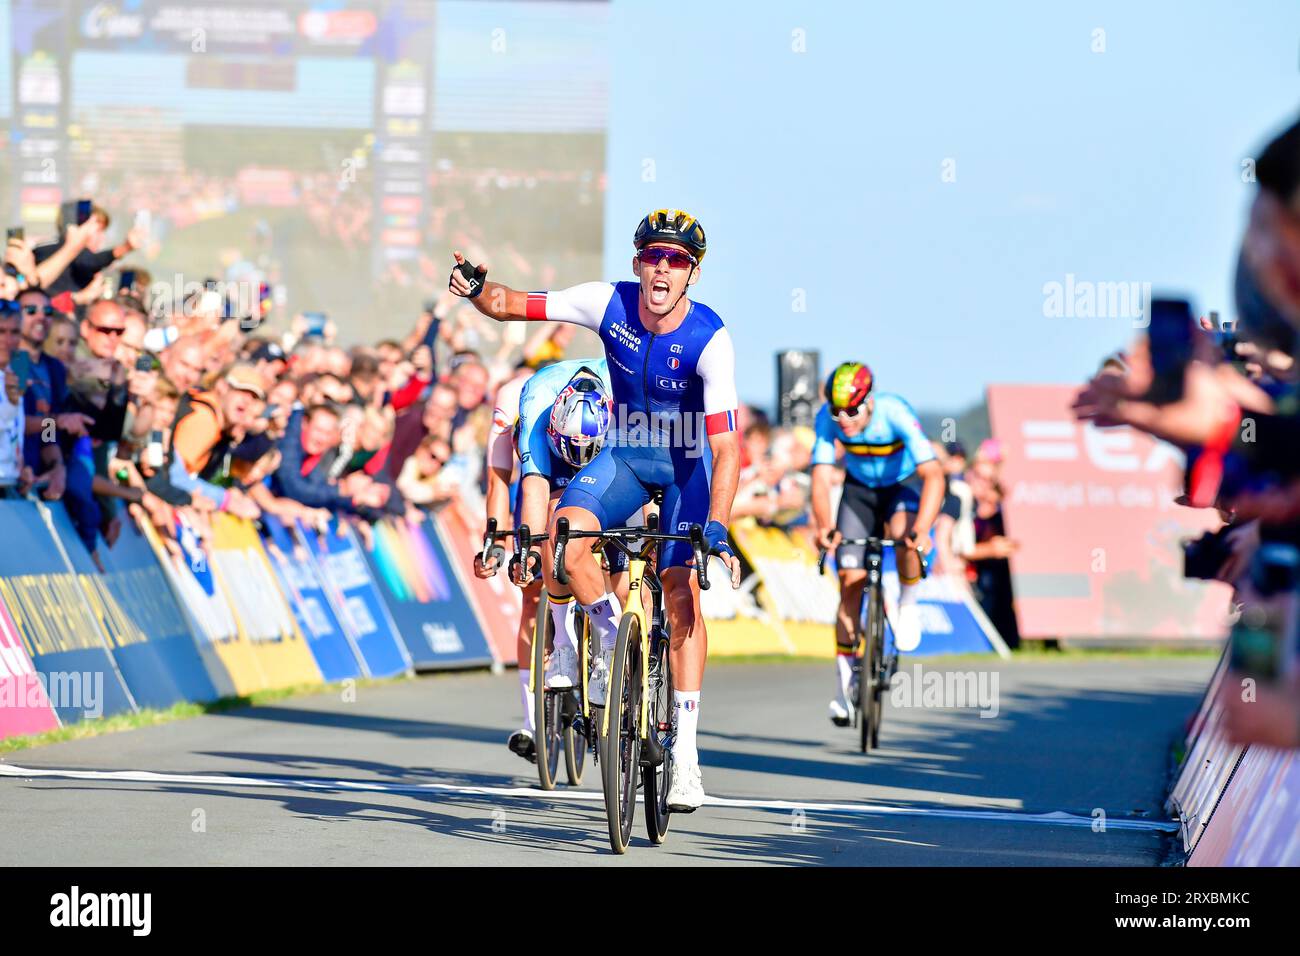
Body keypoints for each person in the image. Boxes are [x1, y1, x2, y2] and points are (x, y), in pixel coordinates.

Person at [449, 208, 742, 811]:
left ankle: (685, 756)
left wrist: (716, 523)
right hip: (626, 454)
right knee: (566, 538)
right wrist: (479, 291)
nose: (664, 268)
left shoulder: (711, 338)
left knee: (679, 583)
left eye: (678, 260)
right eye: (654, 256)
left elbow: (725, 445)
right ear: (638, 263)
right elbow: (513, 304)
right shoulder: (606, 301)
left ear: (693, 274)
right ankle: (609, 638)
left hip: (688, 464)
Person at [477, 357, 613, 762]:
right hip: (547, 467)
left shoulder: (620, 395)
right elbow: (500, 480)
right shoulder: (517, 403)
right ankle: (533, 722)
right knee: (533, 588)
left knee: (609, 561)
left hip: (603, 457)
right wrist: (502, 543)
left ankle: (613, 656)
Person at [809, 361, 946, 727]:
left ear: (869, 401)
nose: (844, 420)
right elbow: (821, 479)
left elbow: (933, 474)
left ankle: (908, 602)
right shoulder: (828, 418)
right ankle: (843, 691)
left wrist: (924, 527)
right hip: (859, 492)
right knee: (850, 583)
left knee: (906, 537)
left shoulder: (895, 412)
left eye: (852, 410)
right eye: (837, 411)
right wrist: (824, 526)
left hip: (900, 486)